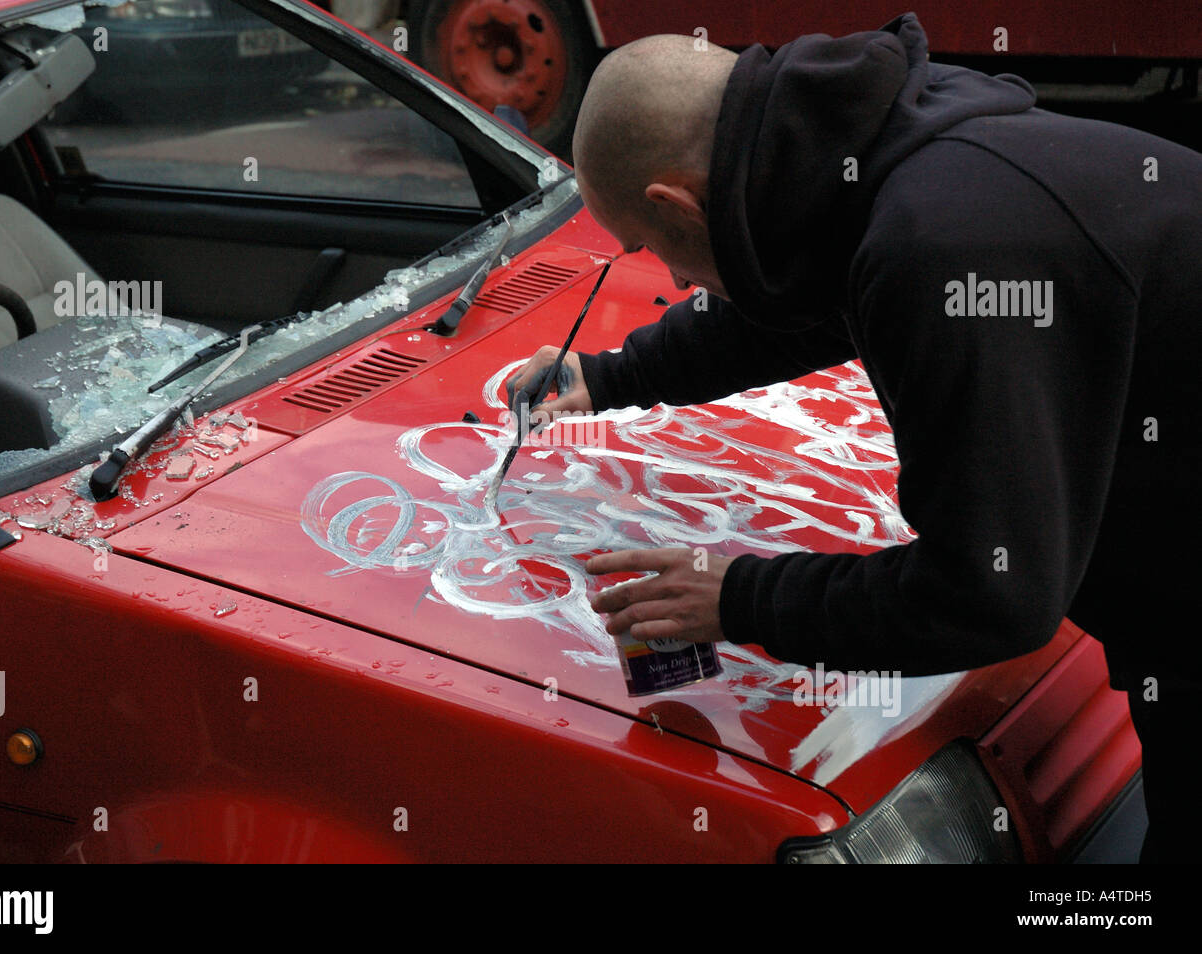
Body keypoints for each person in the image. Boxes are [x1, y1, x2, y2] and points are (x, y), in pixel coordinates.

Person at [504, 15, 1201, 863]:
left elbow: (986, 597)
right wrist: (610, 377)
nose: (678, 280)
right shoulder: (884, 139)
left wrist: (738, 599)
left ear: (675, 201)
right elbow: (804, 291)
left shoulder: (944, 246)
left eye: (654, 250)